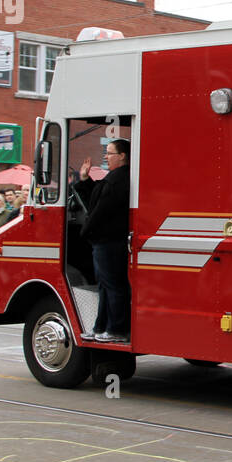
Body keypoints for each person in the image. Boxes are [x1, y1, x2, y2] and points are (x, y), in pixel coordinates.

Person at [75, 139, 132, 344]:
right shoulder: (117, 179)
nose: (106, 157)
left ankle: (116, 328)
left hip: (108, 242)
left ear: (122, 155)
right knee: (106, 286)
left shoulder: (117, 180)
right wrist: (85, 179)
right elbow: (97, 201)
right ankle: (101, 327)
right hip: (109, 241)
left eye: (109, 153)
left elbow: (99, 210)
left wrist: (87, 232)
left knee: (112, 286)